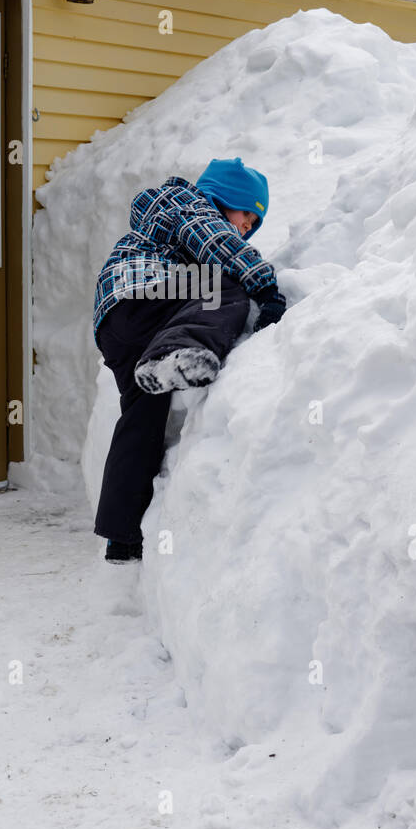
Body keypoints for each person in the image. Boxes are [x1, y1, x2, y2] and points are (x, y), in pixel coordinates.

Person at [92, 157, 287, 563]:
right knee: (223, 286)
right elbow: (216, 243)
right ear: (221, 199)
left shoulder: (173, 215)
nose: (247, 228)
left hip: (120, 323)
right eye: (245, 215)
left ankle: (122, 536)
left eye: (254, 224)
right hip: (145, 292)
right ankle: (177, 352)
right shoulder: (189, 204)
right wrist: (266, 289)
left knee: (142, 420)